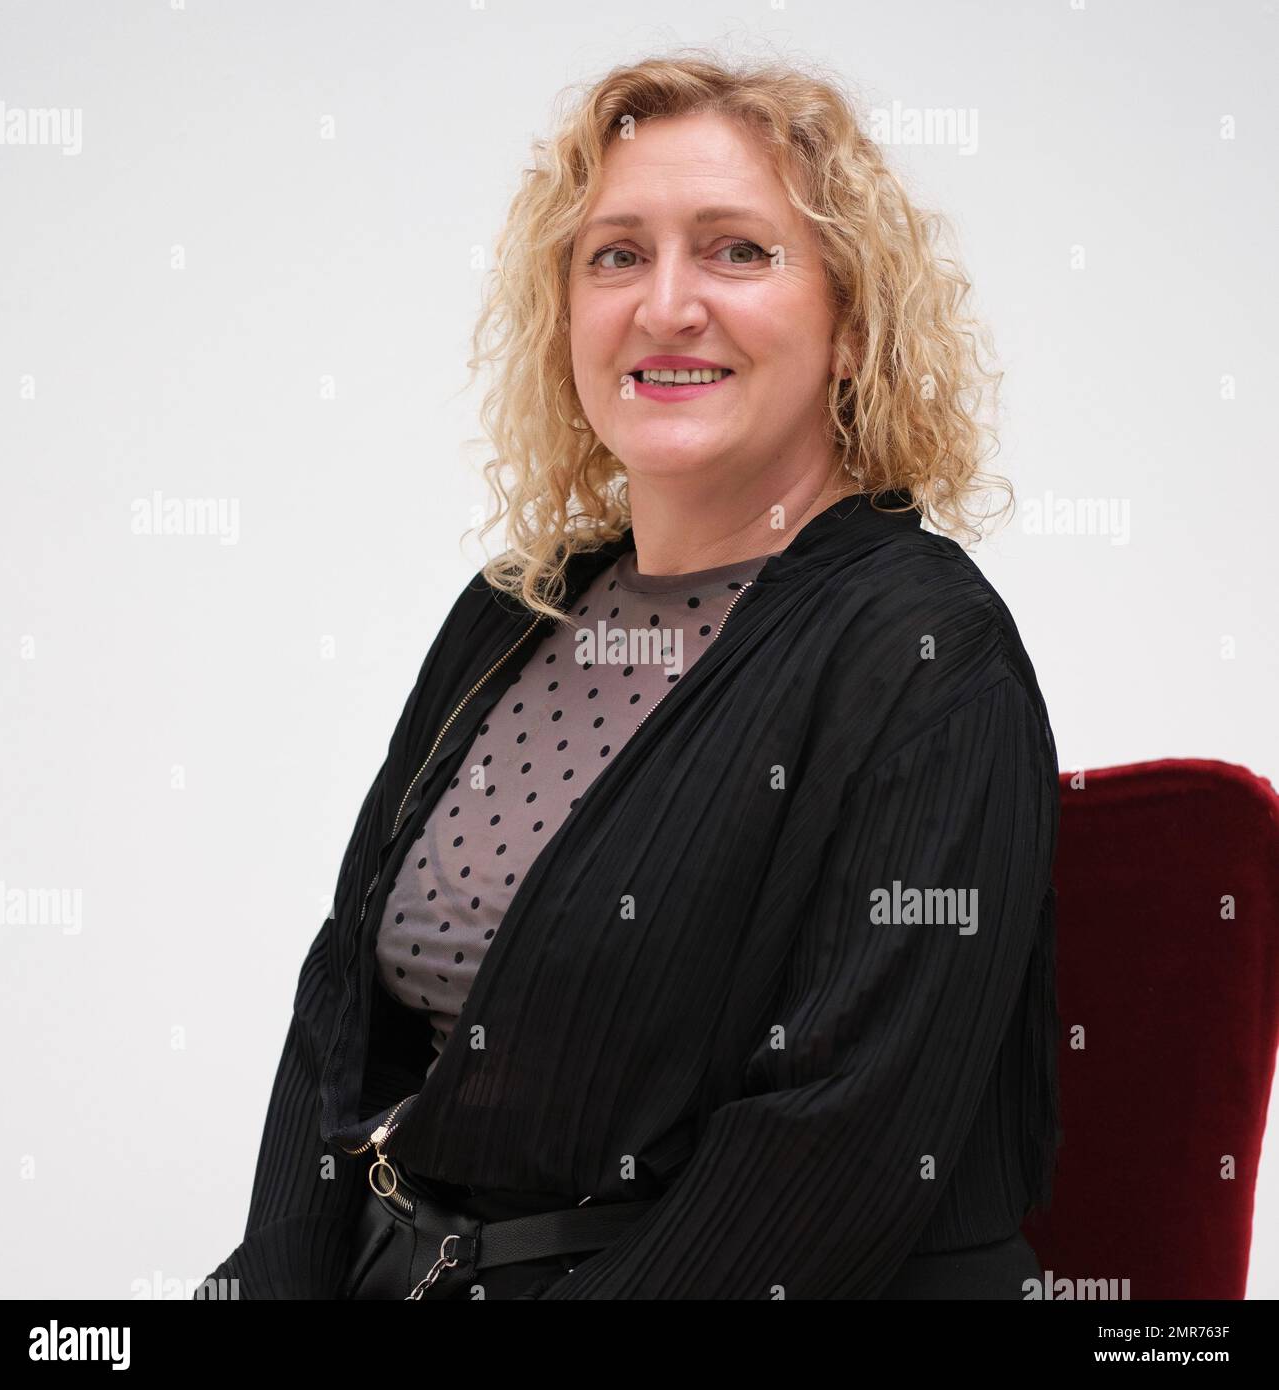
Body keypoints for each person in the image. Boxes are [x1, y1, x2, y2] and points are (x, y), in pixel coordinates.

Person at [200, 50, 1062, 1300]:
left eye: (735, 251)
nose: (666, 305)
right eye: (616, 255)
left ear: (851, 324)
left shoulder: (926, 651)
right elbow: (344, 994)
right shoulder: (515, 611)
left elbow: (835, 1150)